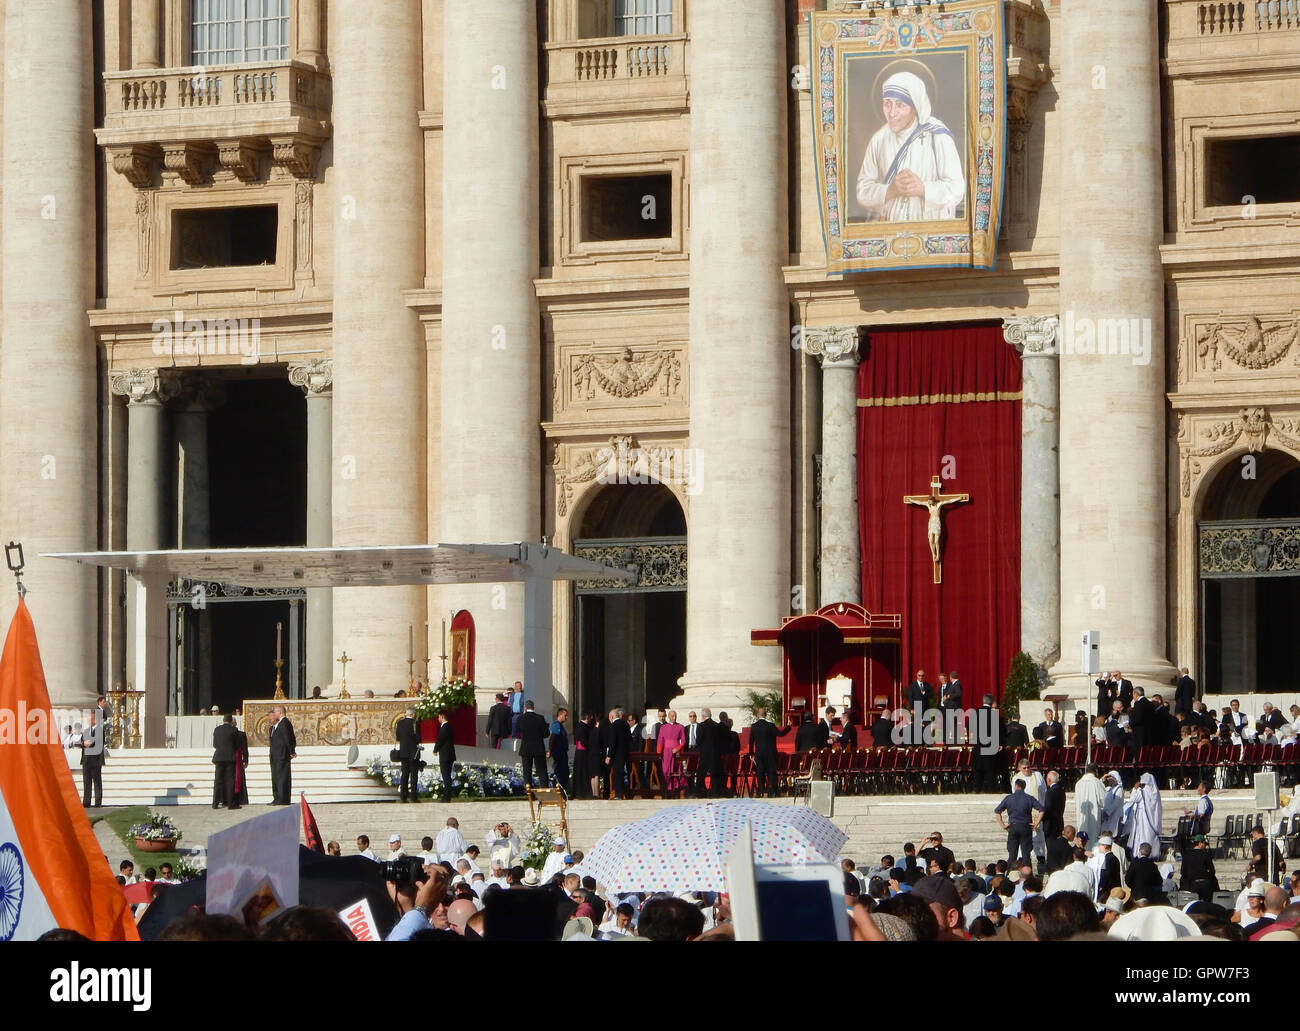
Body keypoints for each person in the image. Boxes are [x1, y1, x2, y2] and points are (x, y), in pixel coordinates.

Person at [854, 71, 965, 223]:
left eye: (900, 105)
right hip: (890, 233)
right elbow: (863, 191)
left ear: (915, 107)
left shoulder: (937, 135)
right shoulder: (879, 139)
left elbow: (957, 188)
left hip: (932, 233)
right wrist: (890, 190)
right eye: (887, 103)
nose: (892, 112)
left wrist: (923, 188)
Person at [994, 778, 1043, 868]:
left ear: (1015, 786)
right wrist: (1036, 823)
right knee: (1026, 854)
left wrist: (1003, 825)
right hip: (1025, 826)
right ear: (1024, 787)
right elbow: (1042, 810)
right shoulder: (1029, 798)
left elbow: (997, 811)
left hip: (1013, 826)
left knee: (1012, 854)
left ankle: (1010, 874)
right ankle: (1028, 875)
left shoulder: (1009, 798)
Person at [749, 707, 791, 798]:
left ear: (757, 715)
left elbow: (751, 742)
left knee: (760, 772)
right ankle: (773, 791)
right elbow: (780, 734)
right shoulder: (770, 725)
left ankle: (760, 792)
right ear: (766, 715)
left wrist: (751, 754)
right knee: (771, 772)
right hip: (770, 753)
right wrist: (788, 727)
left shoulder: (754, 726)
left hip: (759, 753)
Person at [1124, 772, 1162, 858]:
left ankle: (1140, 854)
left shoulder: (1143, 792)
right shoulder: (1155, 792)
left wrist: (1135, 788)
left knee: (1142, 835)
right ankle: (1152, 853)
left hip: (1144, 818)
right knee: (1149, 835)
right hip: (1151, 818)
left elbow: (1133, 798)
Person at [516, 700, 549, 790]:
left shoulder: (521, 718)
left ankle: (529, 792)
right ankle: (544, 790)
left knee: (527, 771)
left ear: (525, 708)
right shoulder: (540, 718)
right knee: (542, 771)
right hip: (538, 747)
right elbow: (546, 733)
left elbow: (517, 731)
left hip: (526, 747)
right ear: (533, 707)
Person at [267, 705, 296, 805]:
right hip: (276, 756)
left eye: (275, 712)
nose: (274, 714)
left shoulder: (284, 723)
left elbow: (289, 738)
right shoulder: (279, 725)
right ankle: (277, 798)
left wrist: (291, 751)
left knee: (282, 778)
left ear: (280, 712)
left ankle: (282, 799)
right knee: (276, 777)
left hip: (281, 756)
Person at [656, 709, 688, 795]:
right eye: (673, 716)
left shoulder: (680, 727)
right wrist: (659, 752)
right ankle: (667, 788)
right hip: (666, 752)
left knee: (676, 770)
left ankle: (676, 787)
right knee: (666, 770)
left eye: (675, 716)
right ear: (669, 717)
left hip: (676, 751)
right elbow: (660, 740)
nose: (674, 717)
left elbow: (683, 740)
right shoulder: (663, 727)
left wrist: (678, 748)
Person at [1179, 834, 1218, 902]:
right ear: (1200, 843)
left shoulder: (1187, 855)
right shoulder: (1206, 854)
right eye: (1204, 844)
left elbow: (1183, 872)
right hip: (1205, 885)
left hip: (1192, 885)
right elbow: (1212, 871)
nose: (1205, 846)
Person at [602, 706, 631, 799]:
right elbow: (629, 739)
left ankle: (618, 794)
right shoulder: (626, 724)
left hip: (616, 754)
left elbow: (612, 742)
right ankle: (625, 792)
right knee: (623, 773)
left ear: (611, 717)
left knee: (617, 774)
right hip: (624, 752)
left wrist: (609, 756)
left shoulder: (613, 726)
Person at [78, 710, 105, 808]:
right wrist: (83, 743)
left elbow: (96, 741)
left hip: (95, 760)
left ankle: (98, 802)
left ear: (95, 719)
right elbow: (82, 741)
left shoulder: (99, 730)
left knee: (97, 782)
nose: (88, 720)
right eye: (88, 719)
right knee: (87, 782)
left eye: (90, 719)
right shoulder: (86, 731)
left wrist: (88, 743)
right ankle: (86, 801)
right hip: (86, 760)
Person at [212, 713, 239, 810]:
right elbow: (237, 745)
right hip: (230, 757)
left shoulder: (217, 729)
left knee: (218, 781)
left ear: (223, 720)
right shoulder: (234, 730)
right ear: (231, 721)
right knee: (230, 781)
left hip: (219, 757)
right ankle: (230, 803)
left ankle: (215, 803)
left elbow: (215, 744)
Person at [1074, 764, 1107, 843]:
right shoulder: (1097, 783)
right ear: (1096, 771)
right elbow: (1103, 801)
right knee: (1093, 838)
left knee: (1082, 838)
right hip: (1094, 817)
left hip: (1081, 816)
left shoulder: (1078, 783)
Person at [395, 707, 420, 803]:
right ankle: (413, 796)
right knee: (414, 775)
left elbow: (398, 737)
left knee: (404, 774)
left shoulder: (399, 723)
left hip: (404, 752)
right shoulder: (414, 724)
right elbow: (418, 738)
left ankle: (403, 796)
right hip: (413, 752)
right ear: (413, 714)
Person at [695, 708, 721, 798]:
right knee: (714, 774)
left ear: (702, 716)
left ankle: (698, 792)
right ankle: (715, 792)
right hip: (715, 754)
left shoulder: (701, 726)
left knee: (701, 773)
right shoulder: (716, 725)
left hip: (705, 754)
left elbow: (698, 740)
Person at [433, 708, 456, 802]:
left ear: (442, 716)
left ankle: (446, 796)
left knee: (445, 776)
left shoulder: (444, 727)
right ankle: (448, 795)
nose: (438, 719)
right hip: (450, 755)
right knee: (447, 775)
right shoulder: (449, 726)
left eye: (438, 717)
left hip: (445, 755)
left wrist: (435, 749)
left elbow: (440, 740)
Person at [549, 707, 570, 796]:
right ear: (560, 715)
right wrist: (550, 750)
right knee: (559, 773)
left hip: (563, 753)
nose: (566, 717)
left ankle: (563, 791)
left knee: (564, 773)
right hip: (559, 753)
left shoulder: (561, 726)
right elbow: (552, 738)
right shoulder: (556, 725)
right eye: (565, 715)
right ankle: (558, 792)